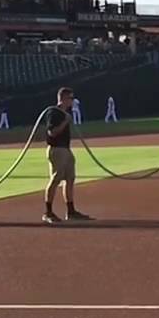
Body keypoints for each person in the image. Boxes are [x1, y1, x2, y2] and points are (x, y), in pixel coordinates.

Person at [43, 88, 91, 224]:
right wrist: (65, 121)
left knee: (70, 178)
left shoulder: (65, 112)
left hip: (66, 149)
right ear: (63, 98)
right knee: (55, 179)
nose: (72, 100)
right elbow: (52, 132)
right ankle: (48, 212)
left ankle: (71, 211)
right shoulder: (53, 112)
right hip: (57, 149)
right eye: (70, 97)